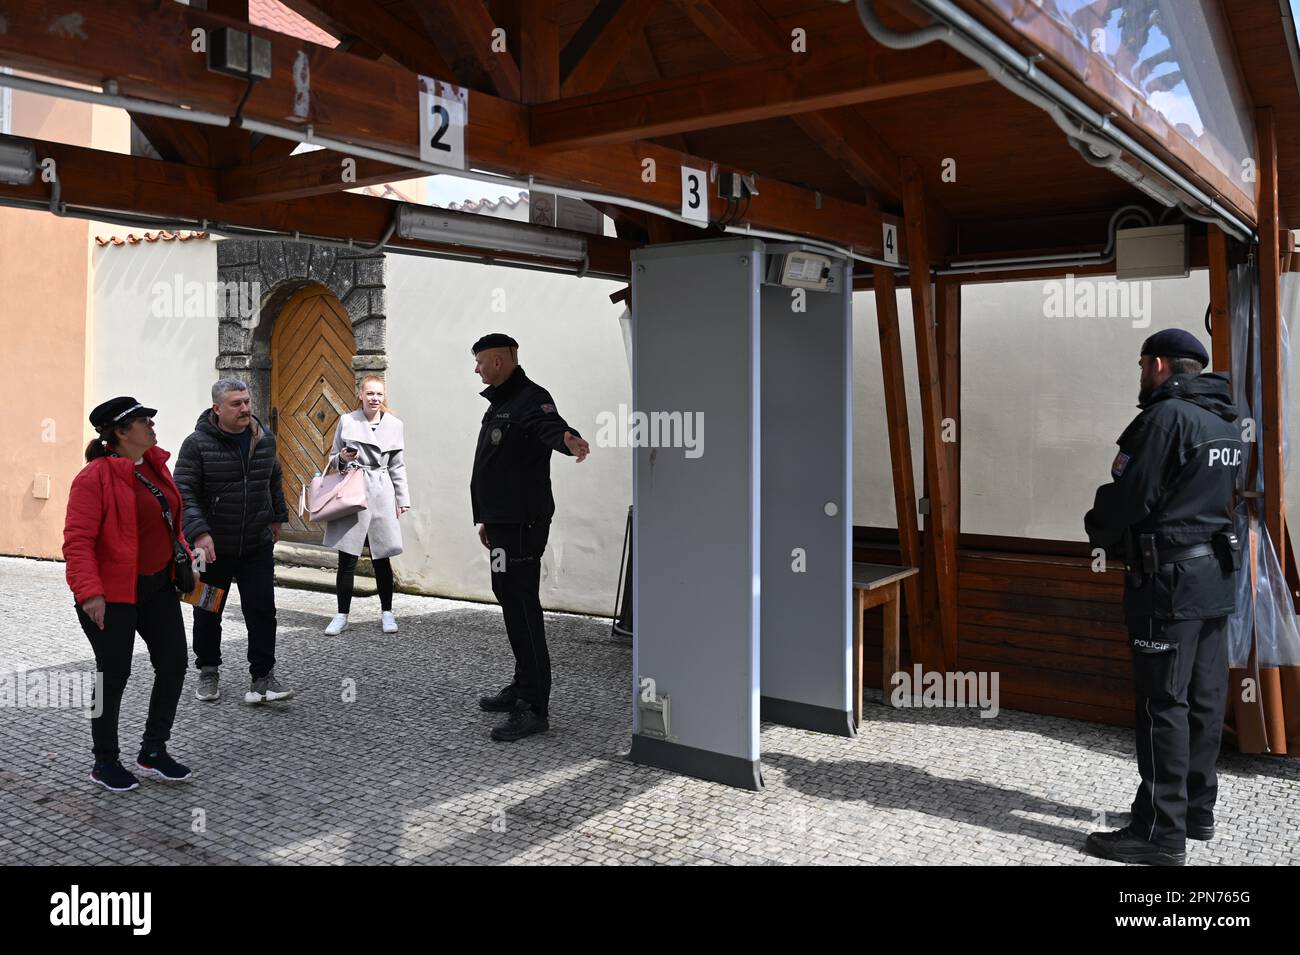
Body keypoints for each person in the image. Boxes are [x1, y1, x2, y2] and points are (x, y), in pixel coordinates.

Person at [1084, 328, 1243, 866]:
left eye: (1141, 365)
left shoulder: (1163, 419)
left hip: (1168, 583)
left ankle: (1158, 833)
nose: (1140, 375)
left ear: (1157, 365)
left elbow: (1131, 497)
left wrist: (1096, 526)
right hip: (1216, 579)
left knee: (1162, 705)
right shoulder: (1225, 424)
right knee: (1203, 698)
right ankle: (1197, 811)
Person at [64, 397, 194, 792]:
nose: (152, 427)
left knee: (174, 663)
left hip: (157, 586)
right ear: (120, 433)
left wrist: (186, 550)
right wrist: (89, 594)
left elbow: (169, 522)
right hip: (111, 593)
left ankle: (153, 751)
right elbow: (78, 542)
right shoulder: (94, 477)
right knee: (112, 676)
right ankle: (104, 761)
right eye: (142, 422)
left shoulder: (155, 466)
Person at [470, 333, 590, 742]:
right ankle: (522, 685)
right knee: (508, 596)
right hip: (502, 527)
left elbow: (549, 427)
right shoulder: (502, 401)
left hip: (523, 527)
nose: (477, 369)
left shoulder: (530, 398)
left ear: (499, 362)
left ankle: (535, 706)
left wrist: (568, 439)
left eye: (481, 362)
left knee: (522, 607)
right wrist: (487, 518)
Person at [174, 378, 294, 705]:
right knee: (207, 609)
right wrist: (199, 533)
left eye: (246, 402)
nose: (244, 409)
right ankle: (209, 670)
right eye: (235, 404)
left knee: (262, 609)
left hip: (255, 545)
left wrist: (276, 516)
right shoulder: (196, 444)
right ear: (217, 409)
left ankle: (262, 678)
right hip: (210, 550)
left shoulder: (262, 438)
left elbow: (274, 476)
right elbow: (183, 491)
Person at [322, 375, 410, 635]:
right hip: (353, 489)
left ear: (384, 398)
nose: (374, 398)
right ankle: (341, 615)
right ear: (360, 394)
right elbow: (333, 458)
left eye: (379, 394)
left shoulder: (394, 425)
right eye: (370, 393)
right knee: (347, 557)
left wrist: (403, 499)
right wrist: (343, 457)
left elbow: (397, 465)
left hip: (382, 491)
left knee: (382, 556)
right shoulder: (347, 421)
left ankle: (387, 613)